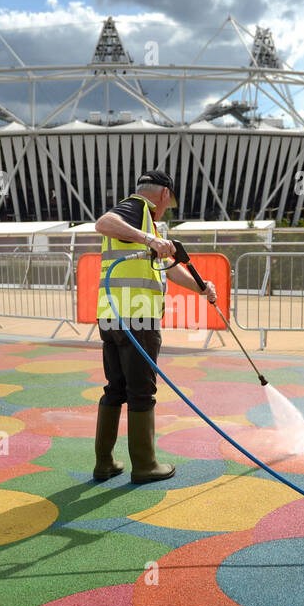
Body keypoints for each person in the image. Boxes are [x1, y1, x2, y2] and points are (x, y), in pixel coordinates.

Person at [92, 169, 217, 483]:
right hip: (138, 319)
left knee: (116, 388)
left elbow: (169, 271)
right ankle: (145, 465)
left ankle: (104, 463)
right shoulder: (136, 209)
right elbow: (102, 223)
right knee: (142, 391)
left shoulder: (144, 221)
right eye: (169, 201)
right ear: (164, 194)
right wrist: (149, 238)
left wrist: (201, 289)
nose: (167, 207)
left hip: (113, 315)